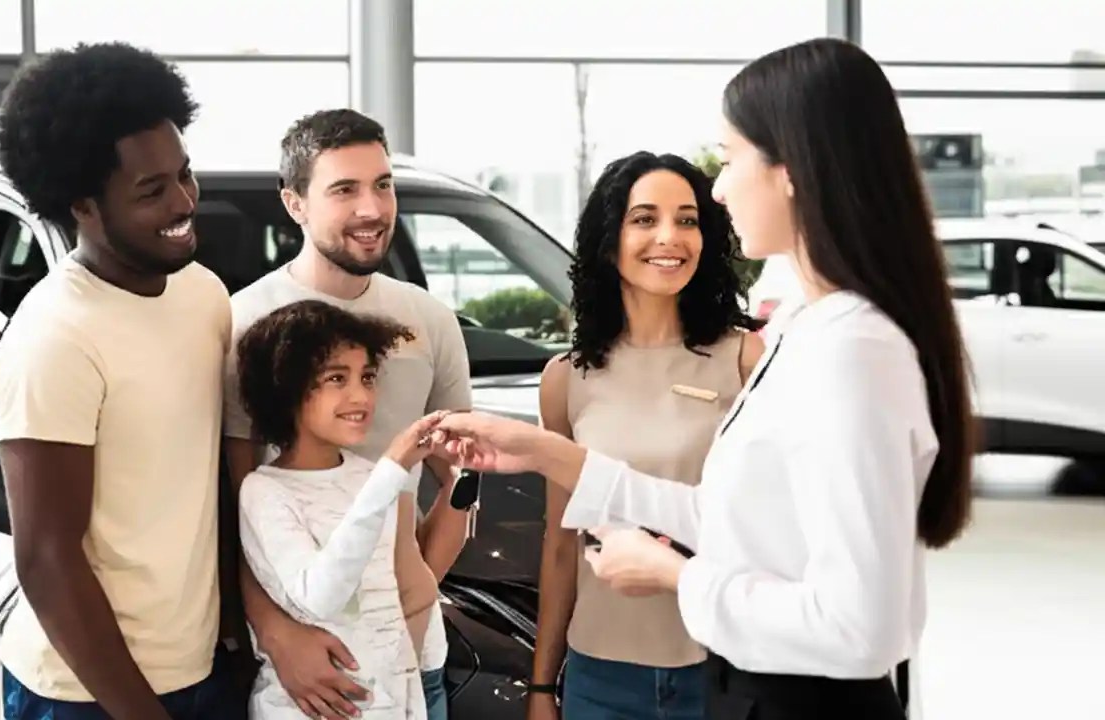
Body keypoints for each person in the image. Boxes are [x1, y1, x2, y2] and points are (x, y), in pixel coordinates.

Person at [435, 37, 974, 720]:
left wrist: (674, 577)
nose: (718, 188)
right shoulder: (809, 332)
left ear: (792, 171)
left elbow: (861, 631)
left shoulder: (852, 352)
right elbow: (728, 515)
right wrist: (540, 450)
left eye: (730, 159)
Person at [0, 43, 244, 719]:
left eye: (185, 175)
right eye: (152, 192)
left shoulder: (205, 297)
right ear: (83, 206)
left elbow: (210, 478)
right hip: (87, 692)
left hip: (202, 668)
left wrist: (231, 633)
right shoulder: (56, 338)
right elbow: (45, 560)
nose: (185, 201)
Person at [223, 108, 472, 720]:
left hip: (420, 660)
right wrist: (281, 637)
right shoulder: (243, 324)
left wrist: (413, 593)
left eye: (383, 185)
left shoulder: (430, 321)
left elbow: (463, 476)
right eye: (344, 189)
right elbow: (237, 513)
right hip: (311, 664)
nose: (372, 208)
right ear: (295, 203)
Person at [528, 151, 764, 720]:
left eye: (687, 220)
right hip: (600, 677)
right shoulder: (566, 380)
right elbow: (562, 547)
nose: (670, 237)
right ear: (610, 240)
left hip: (720, 671)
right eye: (644, 219)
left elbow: (774, 526)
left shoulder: (745, 359)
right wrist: (541, 688)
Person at [235, 300, 454, 719]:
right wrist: (392, 471)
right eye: (336, 378)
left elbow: (392, 607)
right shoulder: (265, 492)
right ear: (287, 387)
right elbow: (320, 598)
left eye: (367, 377)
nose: (361, 395)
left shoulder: (369, 474)